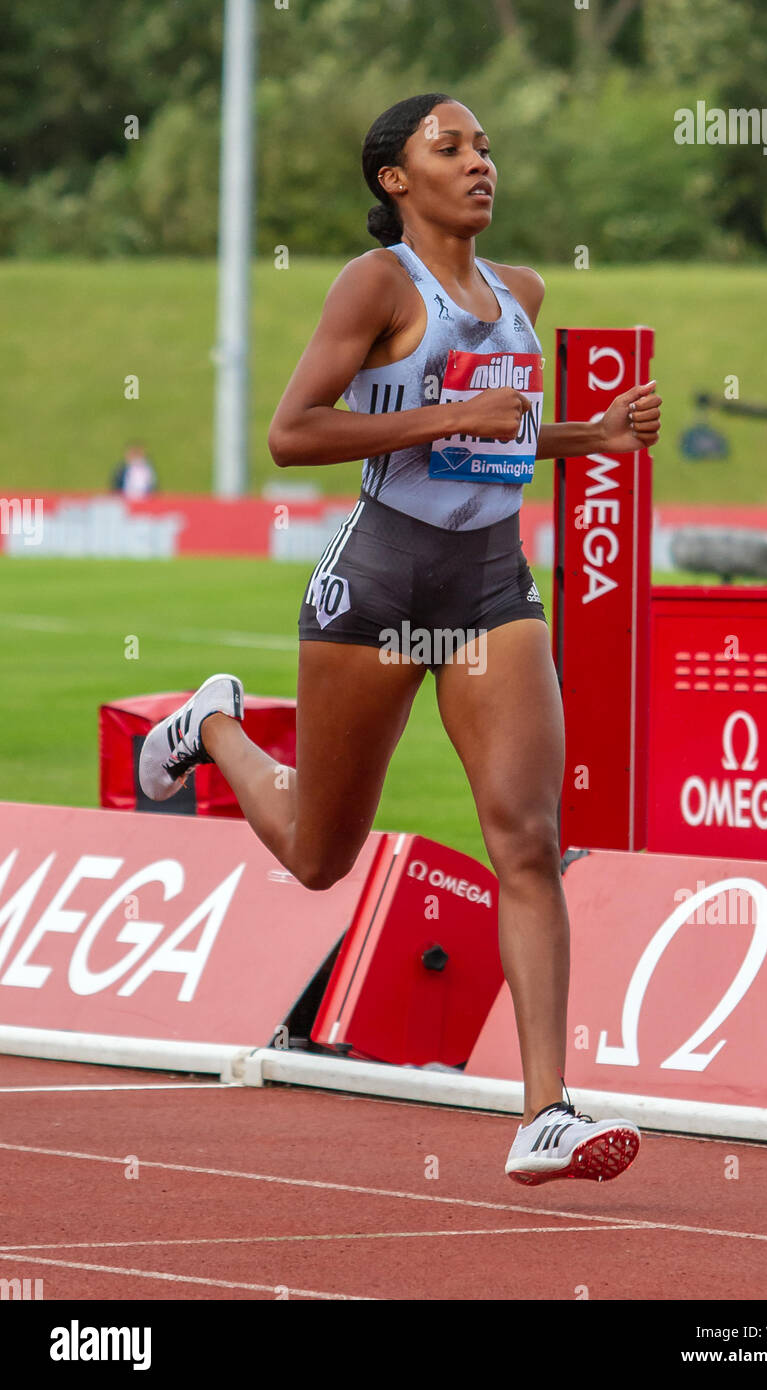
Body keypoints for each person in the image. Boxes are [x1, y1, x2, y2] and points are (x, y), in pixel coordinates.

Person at [140, 93, 662, 1186]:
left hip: (487, 591)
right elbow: (292, 434)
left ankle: (544, 1111)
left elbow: (499, 445)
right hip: (376, 586)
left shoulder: (518, 293)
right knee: (322, 855)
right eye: (451, 147)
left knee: (523, 834)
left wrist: (588, 435)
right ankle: (216, 722)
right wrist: (436, 416)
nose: (480, 163)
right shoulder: (374, 284)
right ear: (395, 180)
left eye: (483, 146)